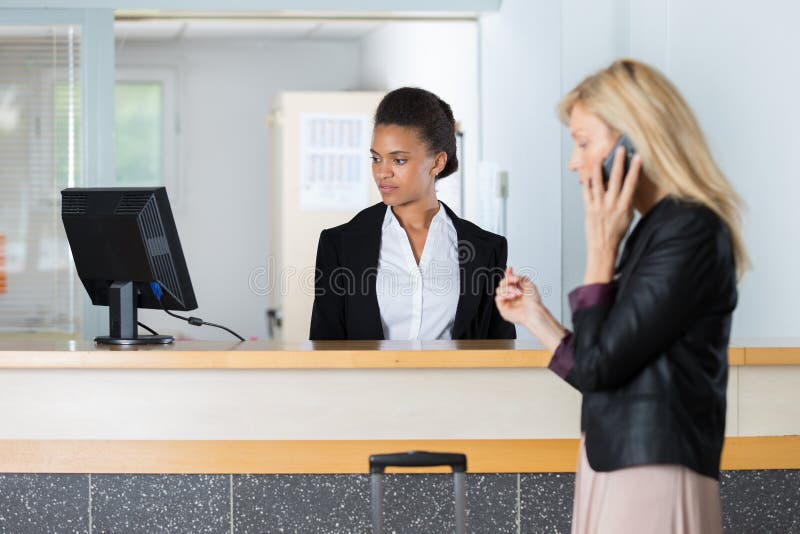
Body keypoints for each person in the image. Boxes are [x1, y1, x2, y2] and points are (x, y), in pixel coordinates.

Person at [495, 59, 747, 533]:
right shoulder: (656, 228)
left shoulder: (688, 229)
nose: (574, 161)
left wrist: (600, 251)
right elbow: (605, 369)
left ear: (635, 141)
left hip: (651, 470)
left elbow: (601, 366)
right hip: (619, 462)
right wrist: (537, 319)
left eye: (585, 143)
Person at [310, 87, 515, 341]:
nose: (382, 172)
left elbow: (500, 349)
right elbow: (325, 349)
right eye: (376, 159)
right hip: (368, 382)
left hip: (454, 382)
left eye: (399, 160)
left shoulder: (486, 250)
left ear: (437, 163)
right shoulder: (339, 245)